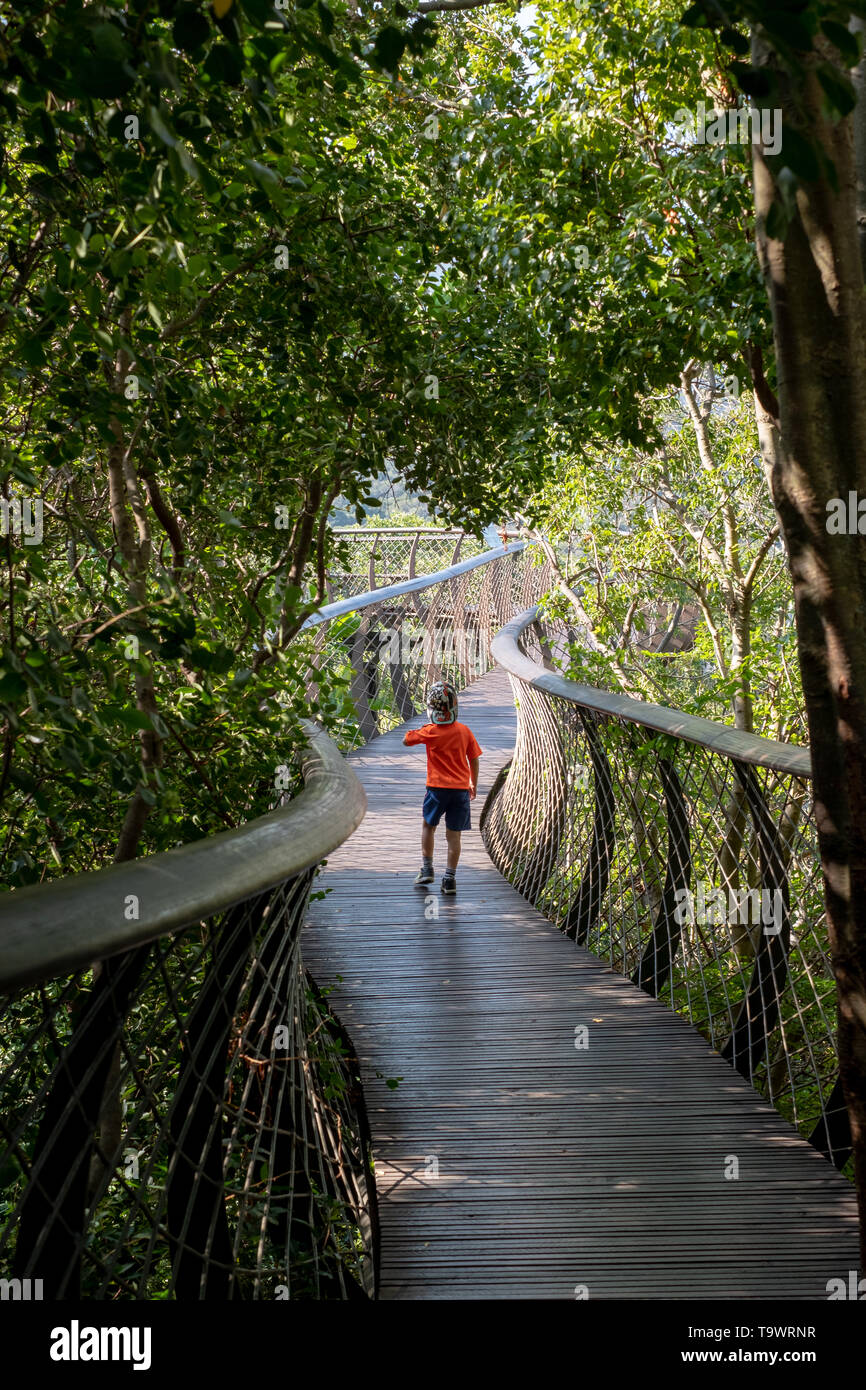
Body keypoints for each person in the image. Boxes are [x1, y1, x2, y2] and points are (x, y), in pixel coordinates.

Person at [402, 680, 482, 896]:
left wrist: (424, 729)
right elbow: (474, 759)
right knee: (454, 836)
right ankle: (449, 880)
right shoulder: (464, 731)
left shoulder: (430, 731)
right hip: (460, 791)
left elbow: (406, 740)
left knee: (429, 826)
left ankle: (427, 869)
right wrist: (473, 782)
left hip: (436, 789)